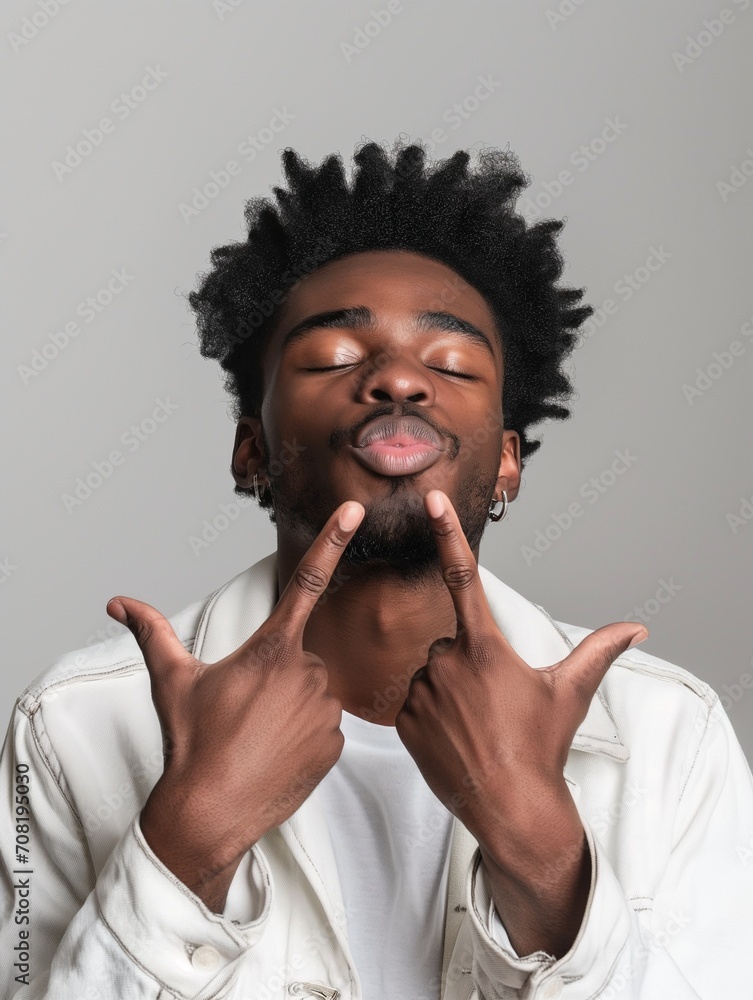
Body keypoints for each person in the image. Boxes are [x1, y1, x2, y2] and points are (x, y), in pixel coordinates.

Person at [1, 139, 751, 1000]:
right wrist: (190, 837)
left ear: (507, 463)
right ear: (251, 451)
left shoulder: (669, 734)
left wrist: (544, 857)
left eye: (452, 364)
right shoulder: (69, 728)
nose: (397, 379)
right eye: (332, 358)